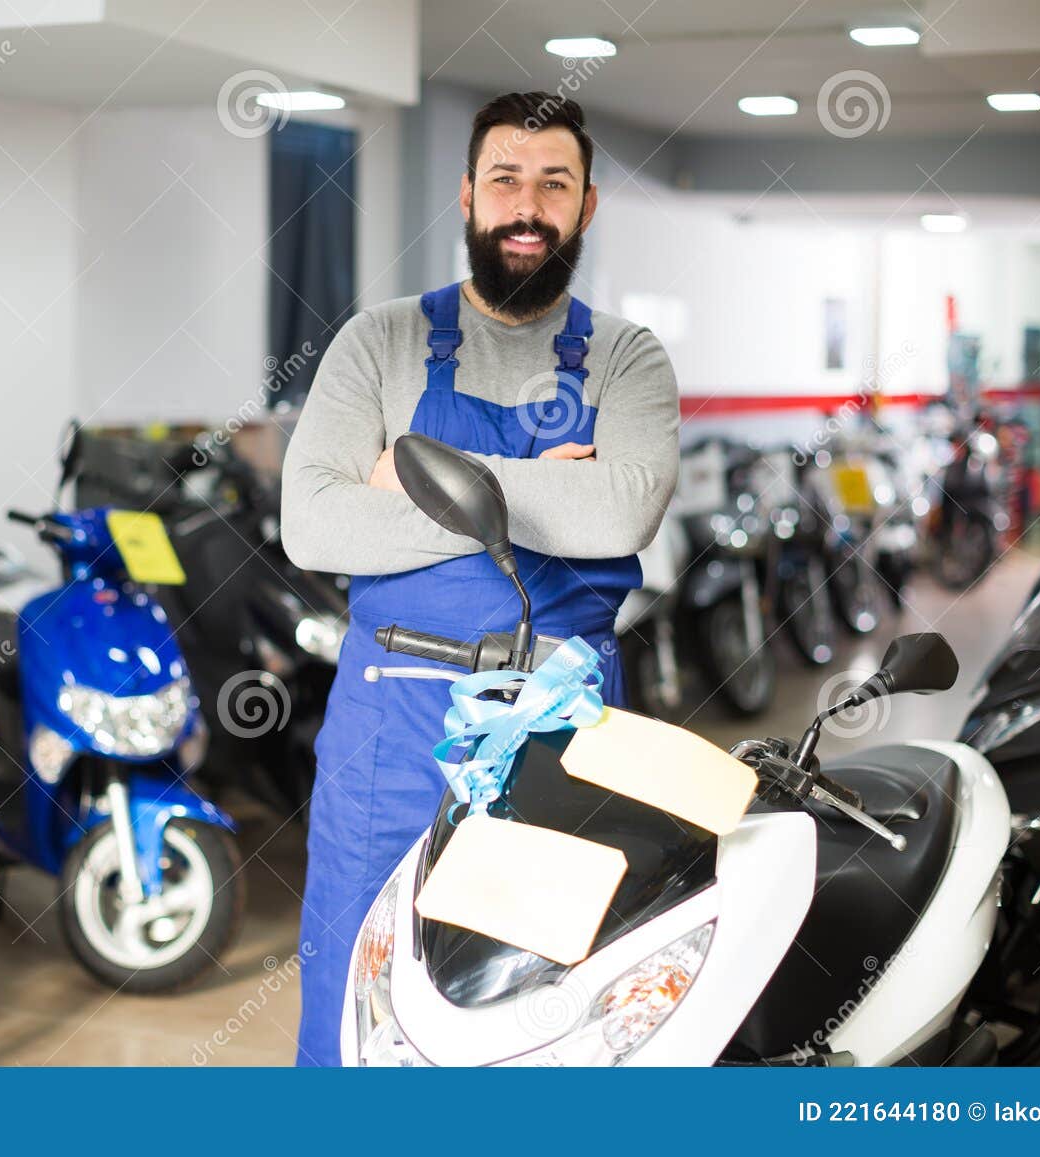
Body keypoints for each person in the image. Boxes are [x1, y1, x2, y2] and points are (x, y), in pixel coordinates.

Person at [280, 91, 680, 1066]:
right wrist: (547, 494)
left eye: (554, 183)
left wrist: (409, 476)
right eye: (504, 178)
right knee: (356, 992)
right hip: (391, 727)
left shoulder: (628, 358)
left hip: (560, 729)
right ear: (467, 195)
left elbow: (621, 511)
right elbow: (311, 523)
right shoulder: (378, 343)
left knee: (543, 1004)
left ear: (586, 208)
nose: (526, 204)